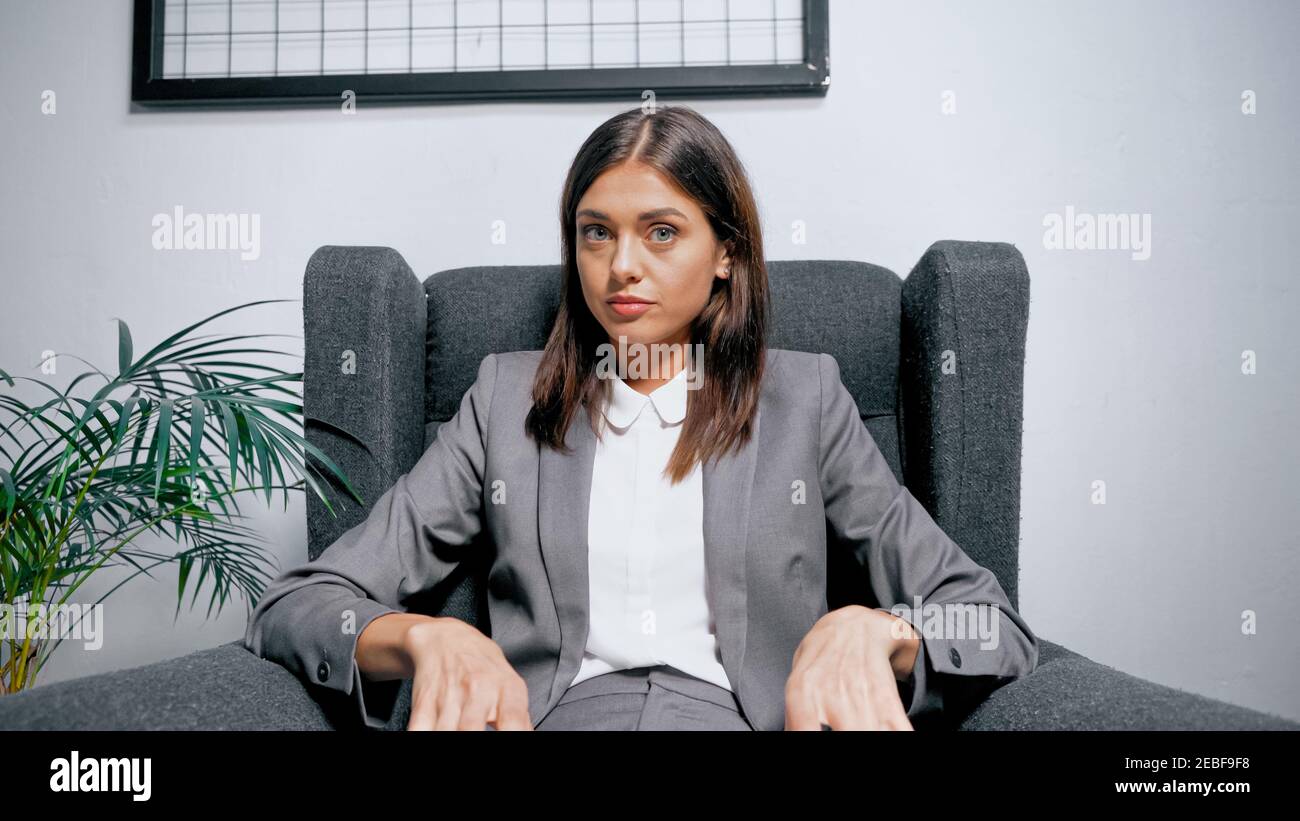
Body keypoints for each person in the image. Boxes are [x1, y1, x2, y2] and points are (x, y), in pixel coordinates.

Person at [243, 105, 1039, 731]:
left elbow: (991, 621)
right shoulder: (502, 400)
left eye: (662, 232)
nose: (622, 265)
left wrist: (882, 628)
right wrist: (420, 638)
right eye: (597, 233)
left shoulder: (807, 400)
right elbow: (298, 604)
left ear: (725, 252)